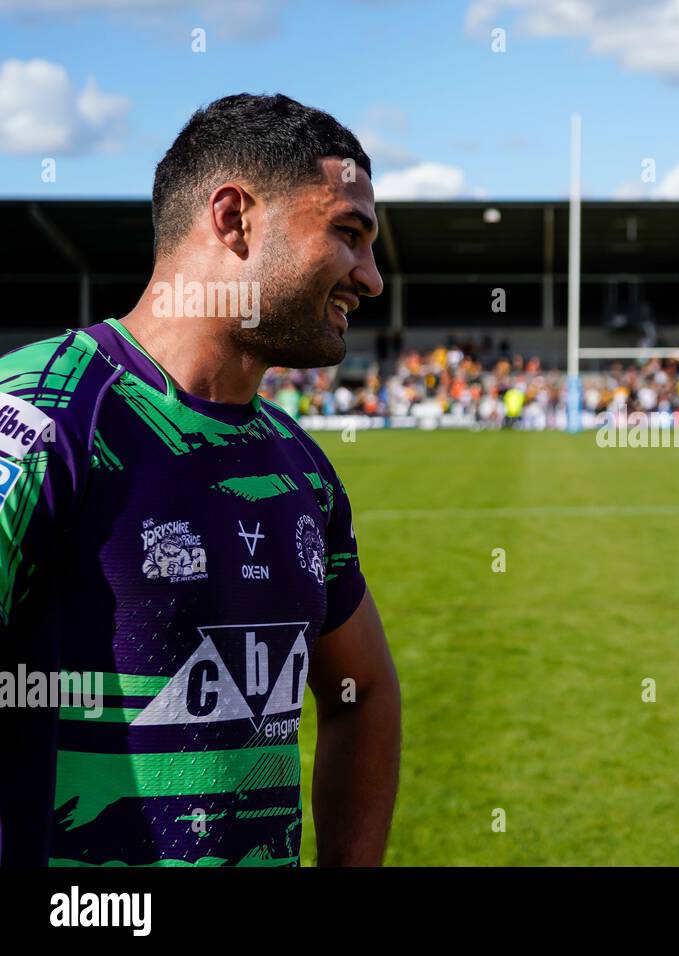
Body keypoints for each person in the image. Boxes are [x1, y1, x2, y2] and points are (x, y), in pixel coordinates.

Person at [0, 93, 400, 867]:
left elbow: (365, 693)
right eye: (348, 234)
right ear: (233, 218)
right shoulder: (42, 416)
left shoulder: (301, 468)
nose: (372, 278)